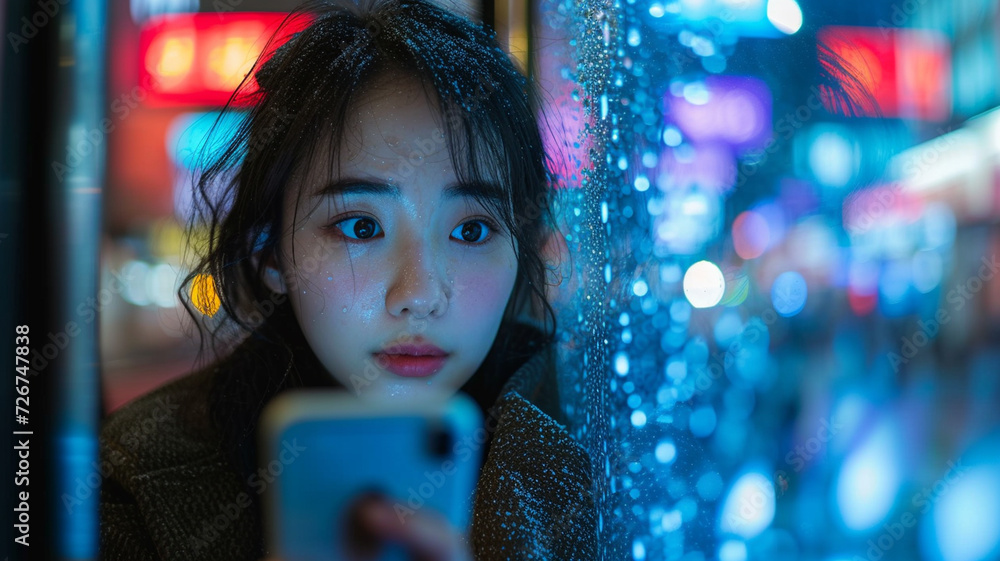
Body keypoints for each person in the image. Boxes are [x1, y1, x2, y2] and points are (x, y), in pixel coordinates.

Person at [98, 0, 594, 560]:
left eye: (473, 230)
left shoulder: (599, 459)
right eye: (360, 227)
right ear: (270, 254)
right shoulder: (137, 484)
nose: (419, 296)